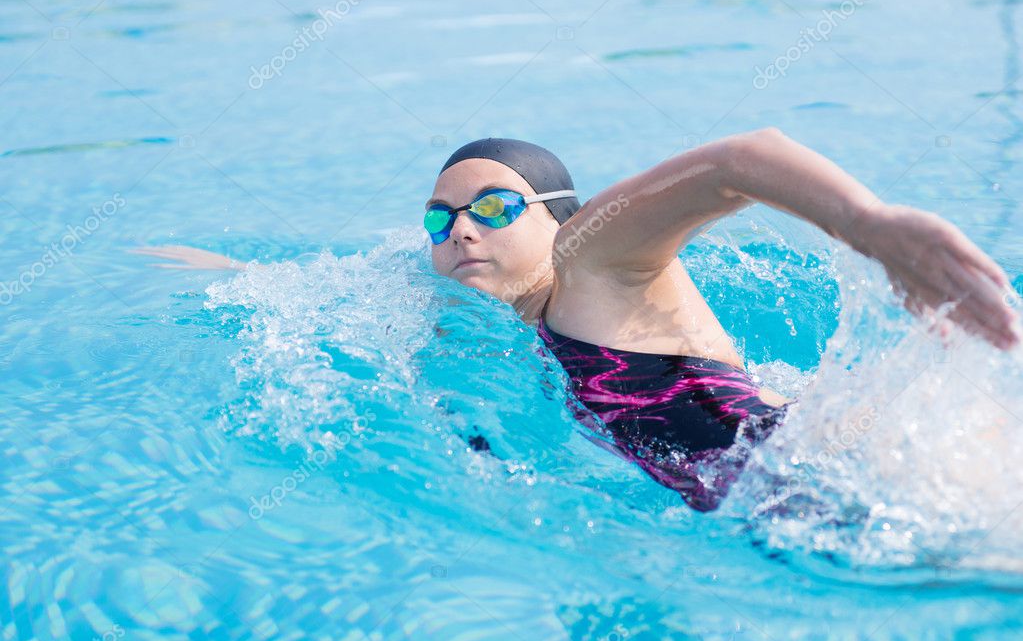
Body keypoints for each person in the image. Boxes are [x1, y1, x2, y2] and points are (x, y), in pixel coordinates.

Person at [135, 131, 1022, 511]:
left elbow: (736, 160)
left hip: (829, 471)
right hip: (786, 474)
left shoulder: (592, 261)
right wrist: (220, 268)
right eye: (441, 219)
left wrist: (870, 226)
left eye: (491, 205)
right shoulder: (484, 296)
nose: (461, 230)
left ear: (556, 215)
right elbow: (326, 277)